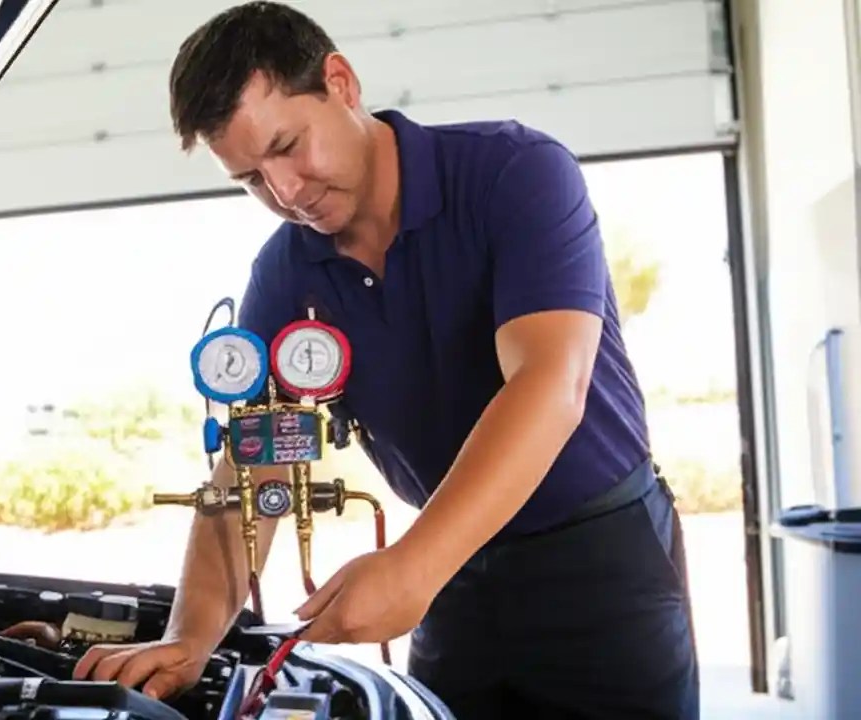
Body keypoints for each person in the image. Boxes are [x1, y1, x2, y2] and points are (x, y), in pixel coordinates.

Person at [72, 2, 700, 718]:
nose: (285, 192)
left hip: (598, 559)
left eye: (288, 145)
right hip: (450, 569)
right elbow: (256, 461)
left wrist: (412, 566)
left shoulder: (514, 173)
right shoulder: (286, 274)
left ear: (340, 83)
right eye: (250, 178)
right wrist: (192, 637)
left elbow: (550, 381)